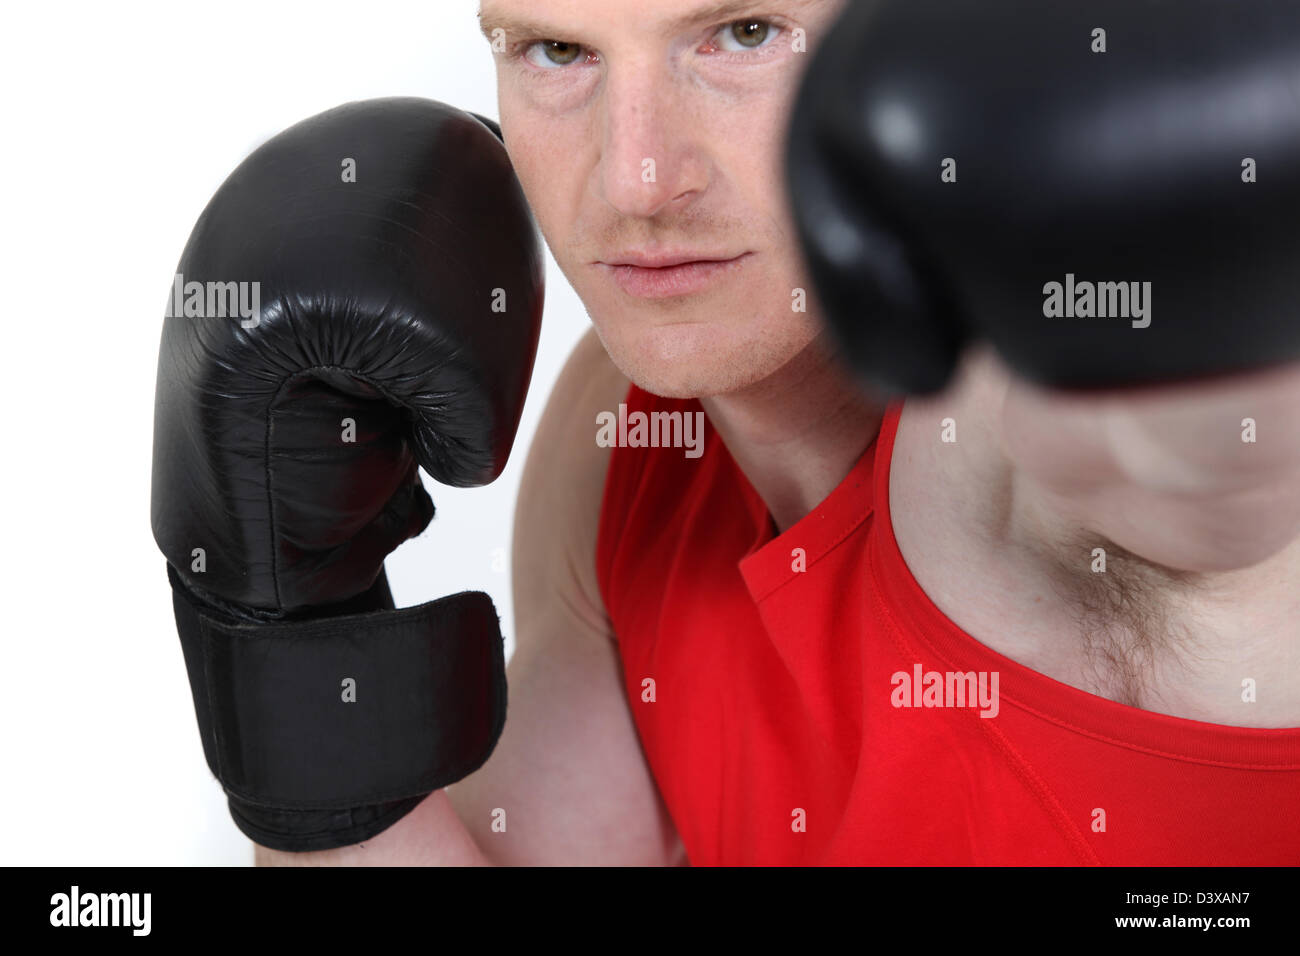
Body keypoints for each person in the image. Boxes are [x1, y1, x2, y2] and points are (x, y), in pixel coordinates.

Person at [157, 0, 1299, 866]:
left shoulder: (1044, 417)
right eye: (558, 51)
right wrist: (290, 624)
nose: (640, 178)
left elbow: (1215, 468)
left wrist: (1213, 281)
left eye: (741, 33)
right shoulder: (616, 439)